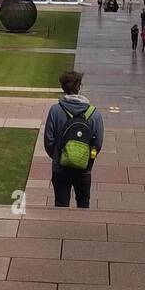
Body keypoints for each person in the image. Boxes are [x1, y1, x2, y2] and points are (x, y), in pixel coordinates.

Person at [43, 70, 105, 210]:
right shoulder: (94, 113)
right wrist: (88, 158)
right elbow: (98, 144)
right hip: (84, 169)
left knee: (61, 205)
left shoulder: (55, 110)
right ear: (78, 86)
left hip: (60, 167)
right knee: (83, 206)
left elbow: (49, 140)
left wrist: (59, 156)